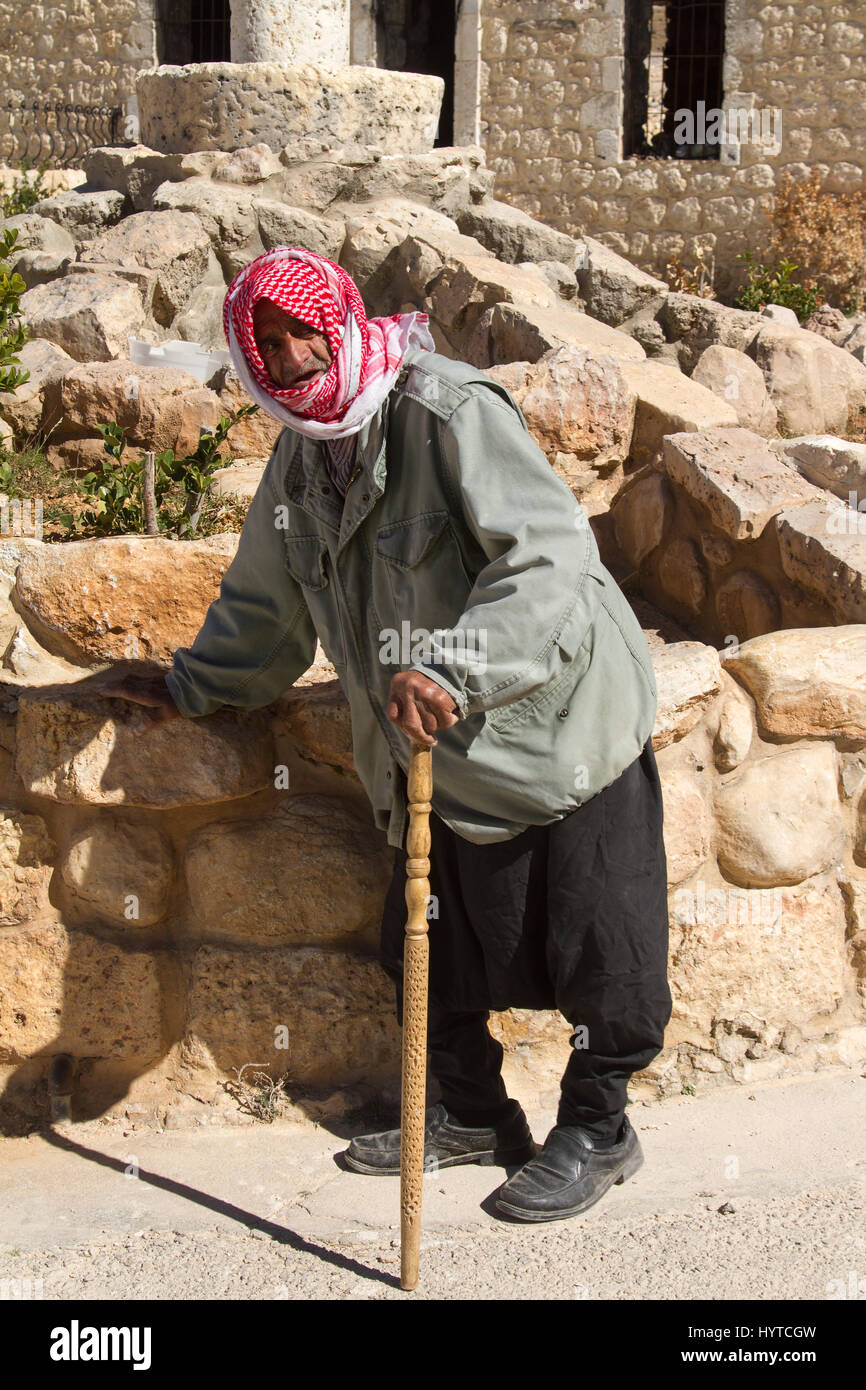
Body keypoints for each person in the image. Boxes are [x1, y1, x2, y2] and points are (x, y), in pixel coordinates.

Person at [103, 246, 672, 1223]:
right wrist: (185, 686)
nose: (289, 357)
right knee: (428, 949)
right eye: (267, 343)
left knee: (600, 947)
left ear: (339, 320)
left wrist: (457, 665)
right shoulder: (297, 458)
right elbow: (264, 615)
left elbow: (546, 557)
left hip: (557, 724)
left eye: (300, 332)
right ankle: (464, 1113)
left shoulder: (445, 413)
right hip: (430, 754)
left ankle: (598, 1124)